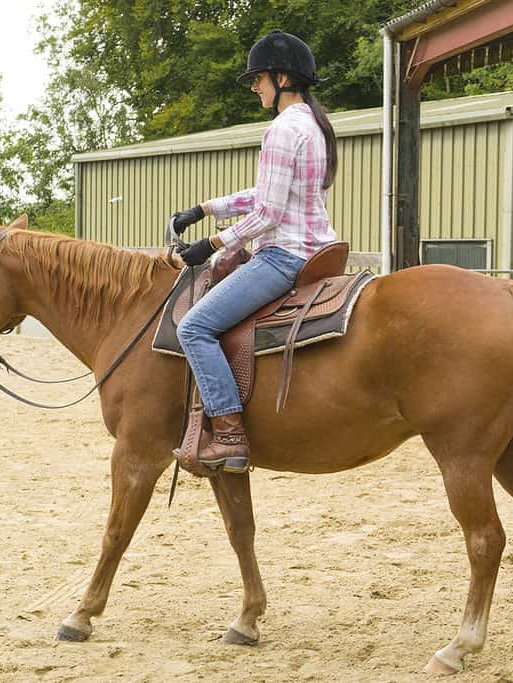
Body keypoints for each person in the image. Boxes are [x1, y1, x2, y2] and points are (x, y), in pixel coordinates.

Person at [171, 30, 338, 474]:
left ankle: (227, 433)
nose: (254, 87)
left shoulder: (283, 129)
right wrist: (206, 209)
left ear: (283, 77)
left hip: (284, 256)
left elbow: (267, 213)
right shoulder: (314, 125)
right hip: (319, 248)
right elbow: (269, 193)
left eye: (258, 79)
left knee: (194, 327)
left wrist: (210, 245)